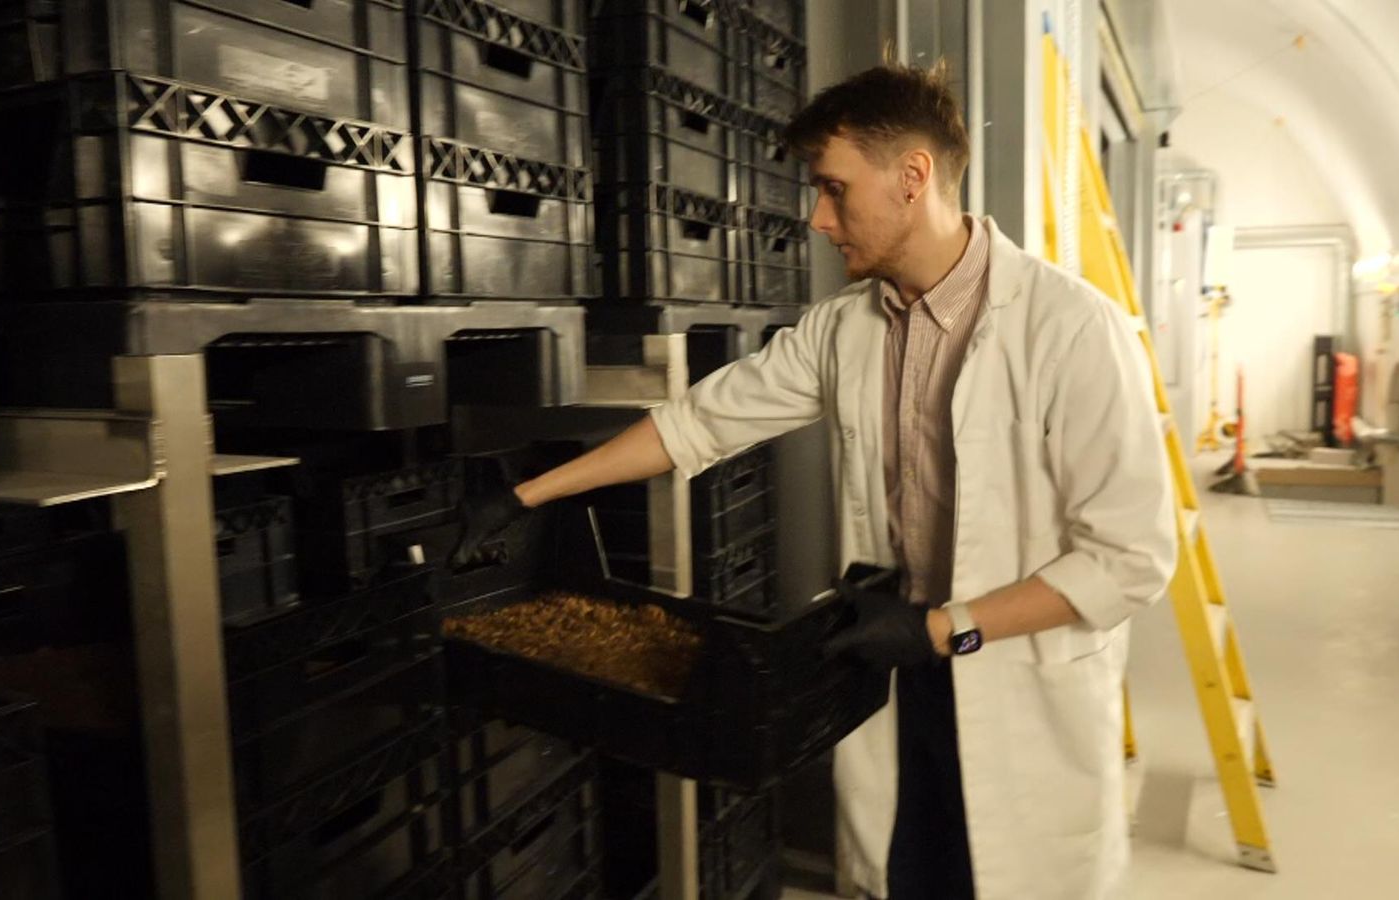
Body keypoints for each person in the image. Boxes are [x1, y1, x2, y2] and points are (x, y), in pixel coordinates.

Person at [454, 62, 1177, 900]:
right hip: (894, 675)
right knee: (907, 875)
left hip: (1016, 675)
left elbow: (1130, 559)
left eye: (835, 190)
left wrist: (946, 630)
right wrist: (527, 496)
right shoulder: (846, 328)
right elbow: (699, 423)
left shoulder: (1072, 328)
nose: (818, 217)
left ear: (914, 178)